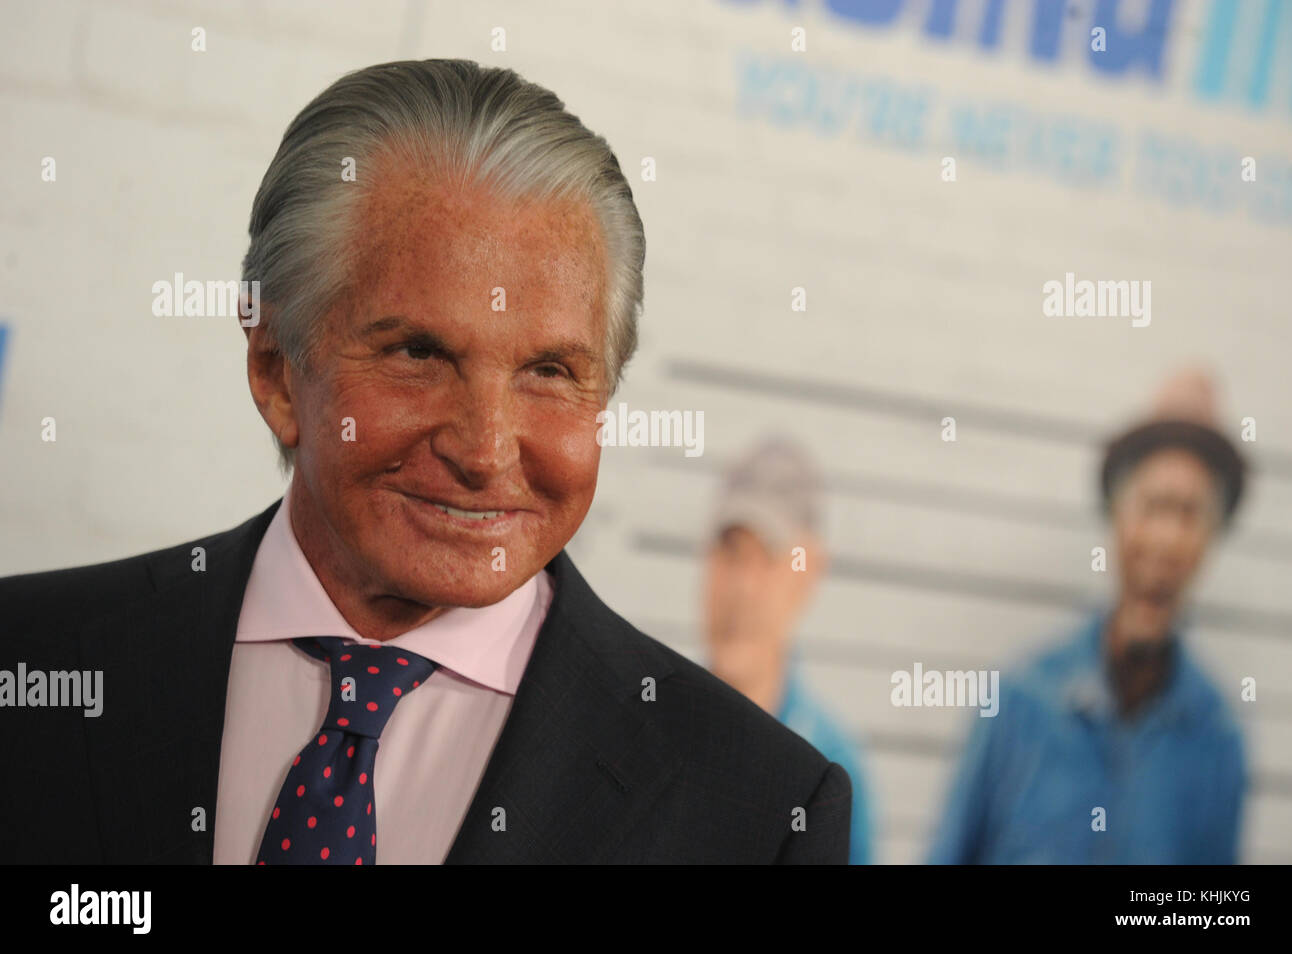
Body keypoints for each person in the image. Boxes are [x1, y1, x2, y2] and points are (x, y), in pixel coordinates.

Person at [0, 59, 851, 864]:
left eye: (550, 372)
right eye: (417, 354)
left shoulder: (756, 811)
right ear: (276, 371)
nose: (485, 450)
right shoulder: (29, 664)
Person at [928, 369, 1249, 864]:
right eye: (1153, 505)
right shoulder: (1018, 700)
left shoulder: (1217, 740)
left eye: (1189, 514)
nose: (1165, 541)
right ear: (1117, 518)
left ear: (1209, 542)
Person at [705, 437, 873, 864]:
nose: (743, 587)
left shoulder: (833, 773)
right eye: (732, 552)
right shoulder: (646, 730)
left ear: (807, 575)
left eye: (768, 558)